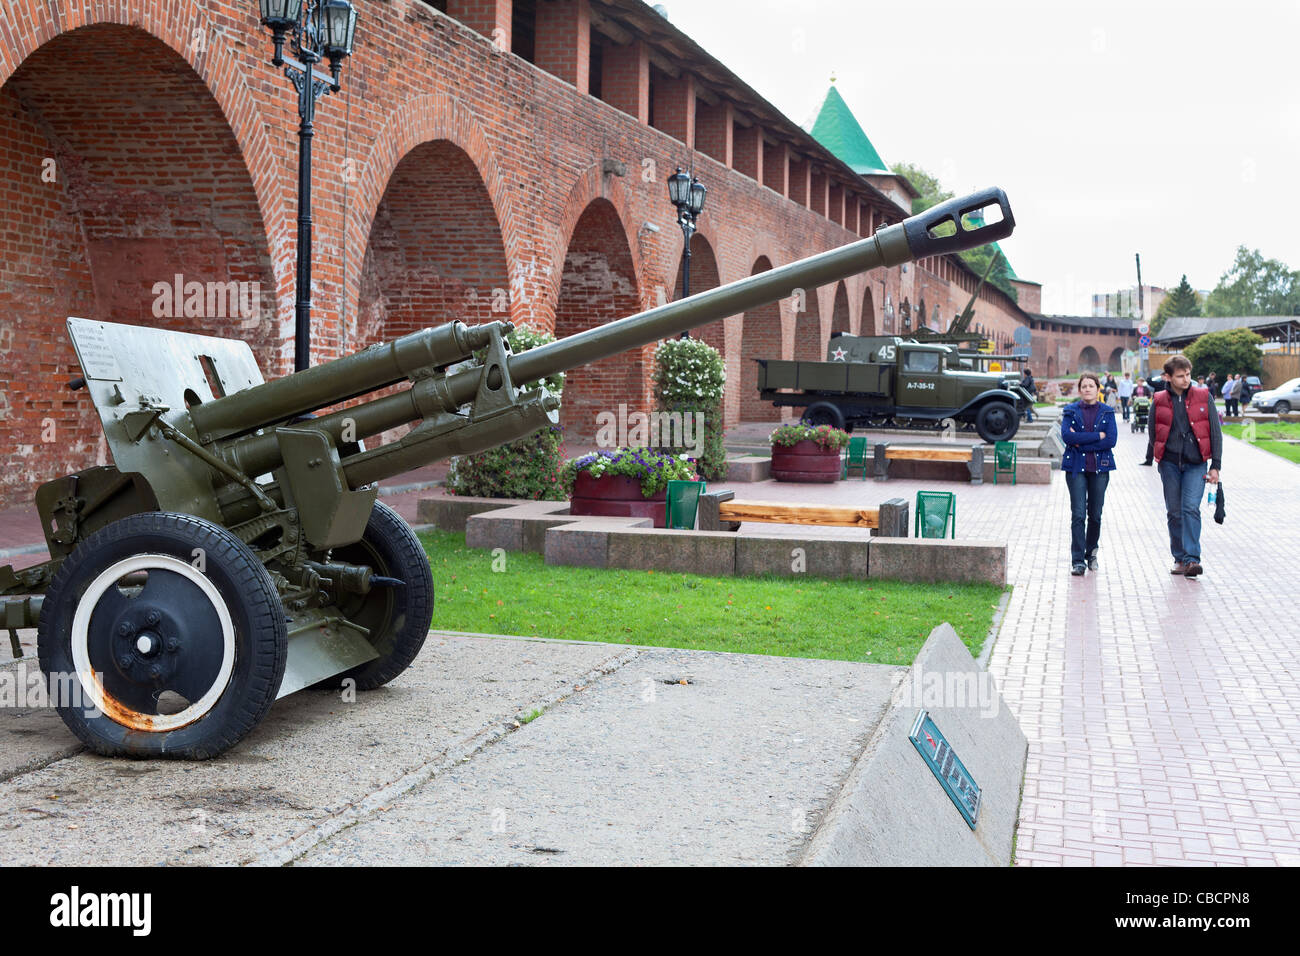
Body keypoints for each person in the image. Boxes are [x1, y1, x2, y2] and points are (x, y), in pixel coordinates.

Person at [1142, 355, 1222, 578]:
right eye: (1180, 376)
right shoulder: (1158, 400)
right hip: (1169, 464)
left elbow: (1215, 432)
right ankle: (1178, 557)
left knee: (1190, 509)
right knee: (1174, 512)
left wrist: (1216, 465)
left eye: (1188, 374)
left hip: (1196, 464)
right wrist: (1161, 455)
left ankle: (1192, 559)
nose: (1186, 379)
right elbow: (1152, 432)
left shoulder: (1204, 396)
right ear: (1167, 377)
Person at [1061, 372, 1117, 575]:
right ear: (1079, 390)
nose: (1087, 389)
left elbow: (1111, 440)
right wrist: (1096, 437)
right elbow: (1067, 436)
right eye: (1083, 386)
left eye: (1091, 386)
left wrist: (1081, 439)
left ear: (1098, 389)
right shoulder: (1070, 411)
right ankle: (1078, 561)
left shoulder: (1108, 412)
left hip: (1100, 467)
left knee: (1095, 514)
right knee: (1078, 514)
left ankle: (1091, 552)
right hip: (1076, 467)